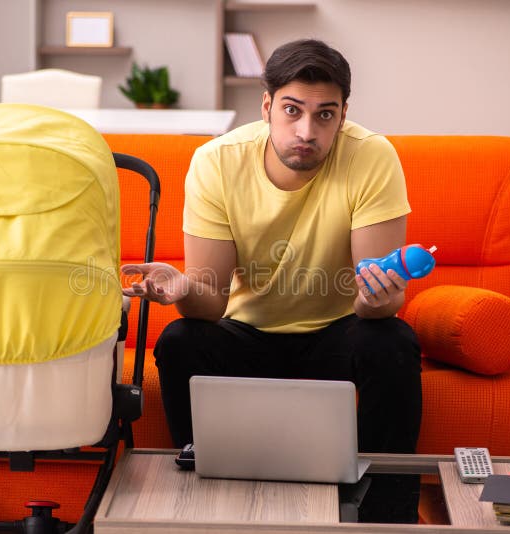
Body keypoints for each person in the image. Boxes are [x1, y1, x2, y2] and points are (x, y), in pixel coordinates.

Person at [121, 38, 421, 523]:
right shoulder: (217, 161)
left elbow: (378, 304)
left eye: (325, 114)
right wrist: (183, 291)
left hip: (336, 334)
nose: (307, 130)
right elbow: (211, 302)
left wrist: (377, 300)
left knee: (392, 341)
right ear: (266, 107)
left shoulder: (372, 156)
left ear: (343, 115)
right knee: (180, 339)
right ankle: (202, 497)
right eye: (292, 110)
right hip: (246, 336)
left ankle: (386, 516)